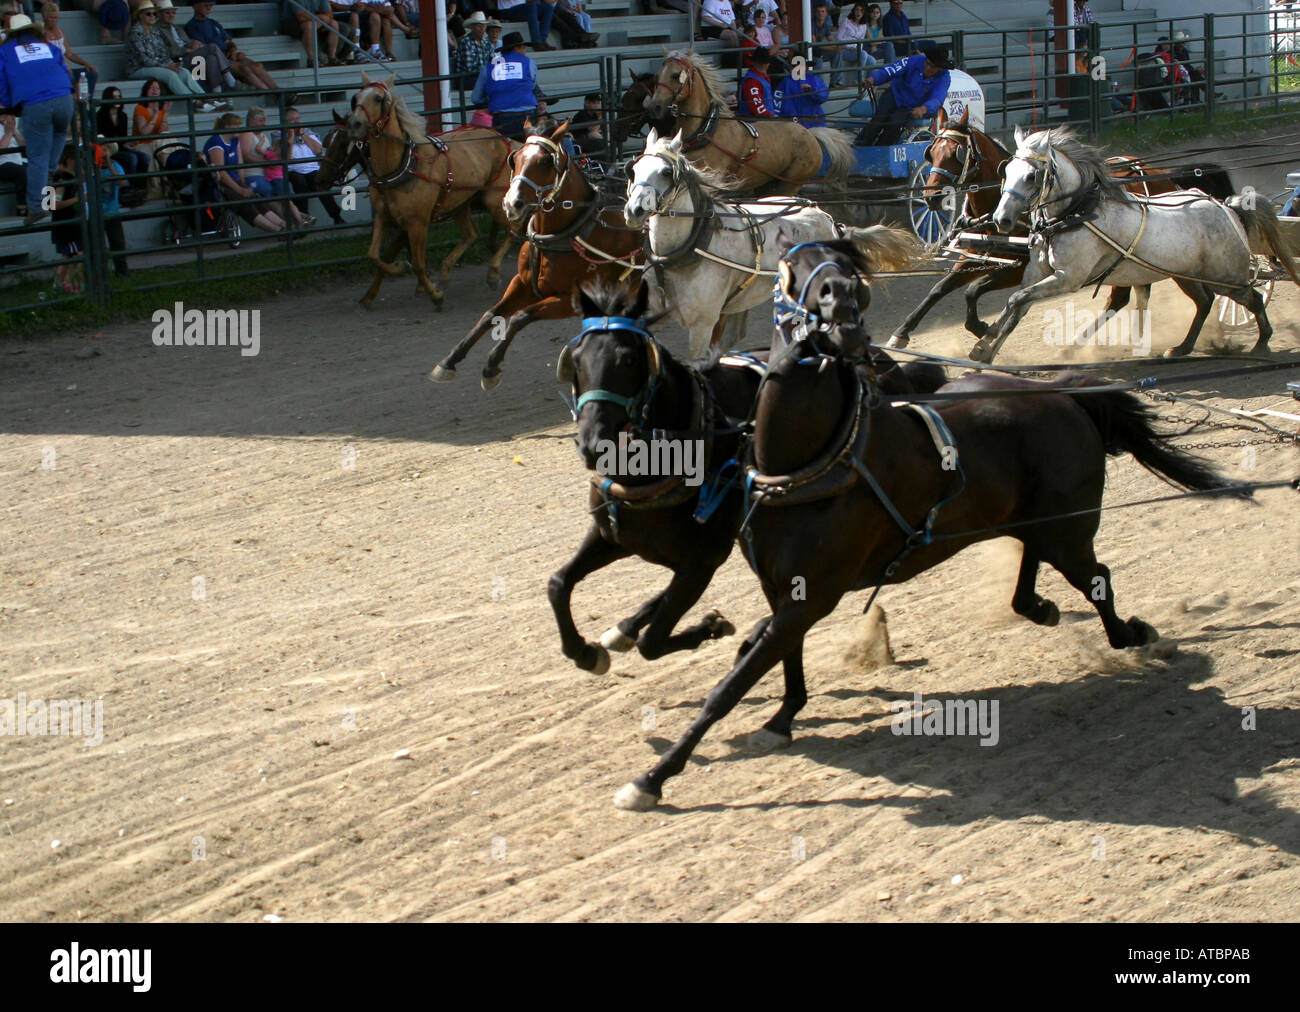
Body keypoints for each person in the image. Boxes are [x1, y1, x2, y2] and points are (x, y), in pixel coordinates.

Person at [0, 13, 74, 225]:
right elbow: (64, 70)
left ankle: (36, 207)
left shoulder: (5, 51)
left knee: (37, 158)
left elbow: (1, 81)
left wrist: (8, 106)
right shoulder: (49, 47)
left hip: (35, 103)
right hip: (63, 98)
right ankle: (49, 195)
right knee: (54, 149)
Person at [203, 111, 288, 231]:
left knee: (256, 199)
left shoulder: (234, 140)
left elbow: (240, 163)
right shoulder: (216, 142)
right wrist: (239, 189)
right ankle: (275, 229)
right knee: (244, 203)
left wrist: (242, 182)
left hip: (235, 180)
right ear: (227, 127)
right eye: (236, 126)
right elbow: (221, 171)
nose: (239, 129)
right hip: (221, 184)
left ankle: (284, 224)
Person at [857, 40, 952, 146]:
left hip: (913, 107)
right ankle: (860, 145)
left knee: (895, 122)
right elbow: (892, 69)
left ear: (940, 68)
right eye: (928, 63)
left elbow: (937, 99)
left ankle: (883, 148)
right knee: (879, 119)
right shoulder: (914, 60)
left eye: (933, 66)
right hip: (894, 95)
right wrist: (873, 79)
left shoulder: (944, 78)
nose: (928, 68)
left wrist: (923, 108)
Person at [126, 1, 217, 108]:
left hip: (157, 66)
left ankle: (206, 99)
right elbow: (144, 60)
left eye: (154, 14)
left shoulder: (154, 31)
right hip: (138, 68)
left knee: (183, 72)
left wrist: (172, 65)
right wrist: (167, 66)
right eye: (148, 14)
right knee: (170, 75)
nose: (152, 16)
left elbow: (163, 53)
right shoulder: (135, 32)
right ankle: (195, 103)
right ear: (140, 15)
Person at [186, 0, 282, 91]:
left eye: (210, 5)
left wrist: (233, 49)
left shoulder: (213, 22)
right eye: (205, 5)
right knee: (245, 69)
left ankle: (278, 91)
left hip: (230, 56)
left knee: (257, 66)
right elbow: (205, 48)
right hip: (218, 60)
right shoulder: (192, 26)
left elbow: (228, 41)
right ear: (195, 7)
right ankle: (272, 94)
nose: (209, 8)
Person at [239, 106, 311, 225]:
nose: (264, 123)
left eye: (264, 120)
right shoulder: (247, 134)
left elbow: (271, 153)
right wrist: (267, 163)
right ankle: (296, 222)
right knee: (274, 195)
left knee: (282, 194)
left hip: (268, 175)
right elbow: (245, 155)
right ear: (251, 121)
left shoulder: (263, 136)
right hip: (254, 174)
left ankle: (297, 220)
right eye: (261, 120)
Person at [470, 30, 546, 140]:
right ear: (517, 48)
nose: (525, 52)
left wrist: (493, 99)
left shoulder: (489, 67)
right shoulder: (529, 63)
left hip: (501, 117)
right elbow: (532, 86)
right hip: (528, 115)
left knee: (505, 152)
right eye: (523, 48)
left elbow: (475, 98)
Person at [156, 0, 234, 106]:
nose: (171, 15)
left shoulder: (176, 28)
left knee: (211, 58)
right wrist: (189, 50)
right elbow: (170, 51)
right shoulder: (157, 30)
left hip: (190, 57)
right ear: (160, 14)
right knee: (212, 47)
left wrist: (195, 42)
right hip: (179, 60)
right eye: (167, 13)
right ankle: (228, 76)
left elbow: (187, 41)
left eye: (173, 13)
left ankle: (217, 94)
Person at [281, 104, 343, 224]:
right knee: (299, 183)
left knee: (320, 183)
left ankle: (336, 217)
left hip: (312, 170)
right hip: (292, 171)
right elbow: (284, 155)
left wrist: (304, 135)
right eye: (292, 120)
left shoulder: (308, 132)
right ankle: (304, 219)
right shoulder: (279, 134)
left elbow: (318, 150)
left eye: (297, 118)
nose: (296, 122)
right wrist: (291, 136)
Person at [40, 3, 97, 99]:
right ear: (45, 18)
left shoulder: (60, 31)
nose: (54, 21)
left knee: (91, 74)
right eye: (51, 18)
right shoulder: (41, 34)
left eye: (56, 18)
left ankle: (86, 101)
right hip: (56, 71)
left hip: (66, 69)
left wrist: (85, 63)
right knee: (69, 76)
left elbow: (69, 54)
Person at [96, 86, 149, 187]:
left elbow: (123, 136)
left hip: (121, 147)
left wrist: (129, 143)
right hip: (109, 149)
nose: (117, 99)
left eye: (119, 96)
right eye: (113, 97)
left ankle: (141, 188)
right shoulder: (99, 116)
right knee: (132, 158)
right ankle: (129, 188)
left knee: (144, 157)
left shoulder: (123, 116)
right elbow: (101, 137)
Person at [49, 144, 82, 291]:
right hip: (65, 223)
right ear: (69, 160)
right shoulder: (61, 179)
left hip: (72, 221)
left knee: (69, 254)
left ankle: (60, 284)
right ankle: (66, 283)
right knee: (76, 253)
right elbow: (53, 204)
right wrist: (77, 200)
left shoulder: (74, 176)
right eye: (78, 158)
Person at [96, 140, 128, 276]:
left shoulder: (115, 166)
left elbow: (122, 183)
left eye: (106, 150)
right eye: (100, 150)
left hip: (112, 212)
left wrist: (109, 166)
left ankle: (122, 273)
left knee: (118, 244)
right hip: (95, 214)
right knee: (97, 247)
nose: (103, 153)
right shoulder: (90, 168)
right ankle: (100, 274)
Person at [776, 48, 828, 126]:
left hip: (815, 123)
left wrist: (811, 90)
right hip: (794, 124)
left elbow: (824, 96)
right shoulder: (786, 82)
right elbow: (778, 104)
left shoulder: (814, 80)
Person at [284, 0, 341, 67]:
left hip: (311, 20)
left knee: (334, 24)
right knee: (309, 26)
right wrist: (320, 18)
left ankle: (332, 58)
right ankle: (311, 60)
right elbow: (301, 17)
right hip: (290, 22)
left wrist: (323, 19)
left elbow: (329, 14)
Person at [835, 3, 877, 86]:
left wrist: (857, 49)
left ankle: (869, 83)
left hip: (856, 50)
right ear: (853, 11)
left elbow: (861, 41)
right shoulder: (846, 21)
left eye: (861, 10)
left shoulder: (864, 25)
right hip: (844, 50)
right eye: (857, 10)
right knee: (863, 54)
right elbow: (838, 39)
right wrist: (850, 47)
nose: (859, 12)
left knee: (872, 61)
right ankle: (857, 79)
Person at [454, 11, 495, 89]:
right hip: (466, 79)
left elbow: (493, 60)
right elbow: (470, 68)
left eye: (483, 25)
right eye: (479, 26)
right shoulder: (465, 42)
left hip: (481, 76)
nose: (482, 28)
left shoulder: (487, 42)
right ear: (472, 27)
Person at [0, 112, 28, 217]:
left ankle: (50, 206)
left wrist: (14, 132)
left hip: (18, 161)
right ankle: (22, 208)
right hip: (2, 163)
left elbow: (24, 146)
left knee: (45, 171)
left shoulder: (10, 126)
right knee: (21, 173)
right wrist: (8, 133)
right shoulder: (7, 129)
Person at [700, 0, 742, 67]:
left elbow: (732, 20)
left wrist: (736, 29)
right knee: (732, 35)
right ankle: (731, 63)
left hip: (726, 27)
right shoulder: (710, 1)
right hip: (710, 27)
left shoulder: (727, 2)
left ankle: (744, 60)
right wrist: (720, 24)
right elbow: (705, 17)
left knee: (745, 33)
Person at [740, 46, 776, 117]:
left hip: (765, 119)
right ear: (766, 64)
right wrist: (771, 116)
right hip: (758, 121)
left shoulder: (760, 78)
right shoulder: (752, 81)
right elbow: (757, 108)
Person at [568, 91, 605, 160]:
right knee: (594, 134)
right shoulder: (582, 114)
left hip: (591, 141)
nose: (597, 106)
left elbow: (604, 128)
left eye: (598, 103)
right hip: (578, 140)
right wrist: (600, 117)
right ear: (587, 103)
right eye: (594, 103)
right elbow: (592, 129)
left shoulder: (595, 114)